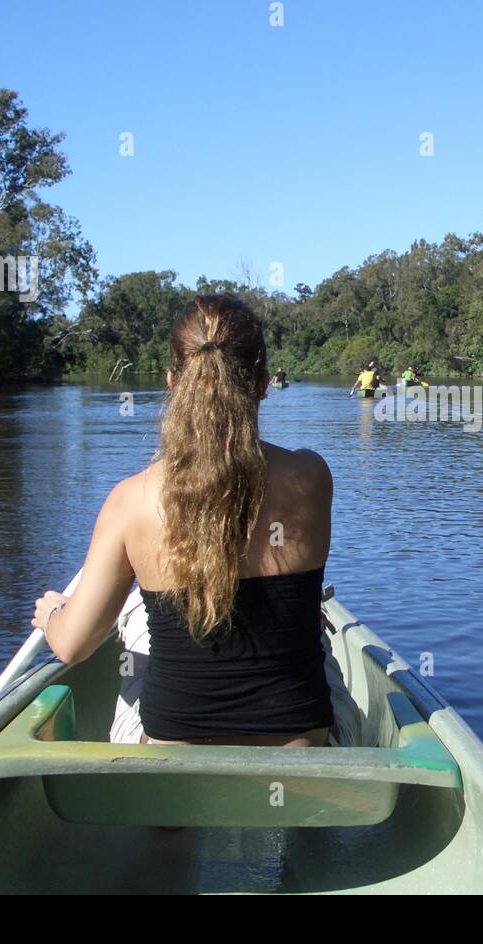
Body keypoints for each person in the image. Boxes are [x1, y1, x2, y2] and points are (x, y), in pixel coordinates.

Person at [30, 293, 335, 748]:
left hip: (174, 790)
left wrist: (54, 612)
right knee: (324, 648)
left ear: (173, 381)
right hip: (302, 777)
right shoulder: (310, 476)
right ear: (262, 383)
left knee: (136, 625)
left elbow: (74, 646)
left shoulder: (130, 501)